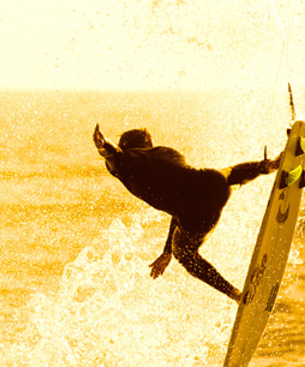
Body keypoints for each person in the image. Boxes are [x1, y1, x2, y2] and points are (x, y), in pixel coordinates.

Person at [93, 125, 280, 302]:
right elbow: (183, 196)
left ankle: (237, 295)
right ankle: (269, 166)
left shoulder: (128, 164)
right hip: (215, 184)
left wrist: (103, 144)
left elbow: (113, 155)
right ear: (149, 143)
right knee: (226, 174)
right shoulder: (167, 151)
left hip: (197, 216)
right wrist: (166, 252)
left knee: (183, 253)